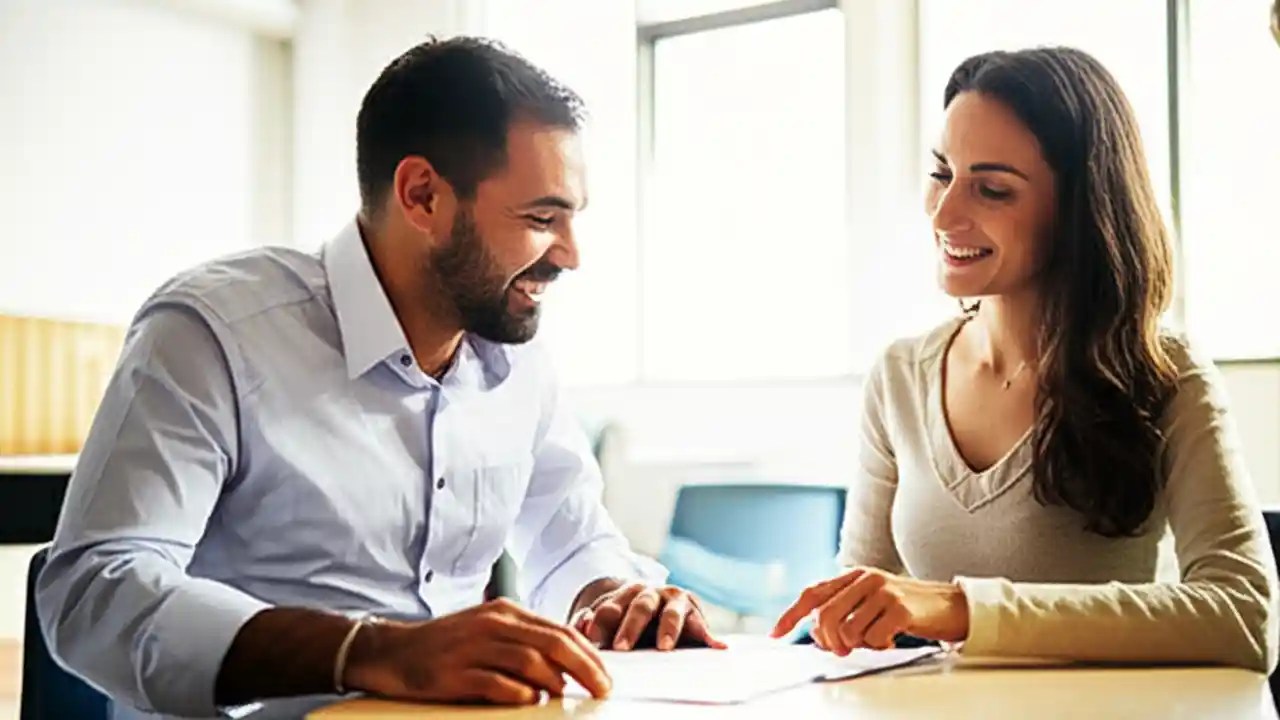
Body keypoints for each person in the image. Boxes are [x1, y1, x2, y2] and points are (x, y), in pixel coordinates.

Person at [37, 36, 723, 720]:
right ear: (422, 195)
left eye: (572, 220)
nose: (570, 256)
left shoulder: (516, 365)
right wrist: (369, 652)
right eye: (542, 219)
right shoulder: (214, 332)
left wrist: (612, 596)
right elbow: (96, 591)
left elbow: (570, 539)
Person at [773, 47, 1278, 671]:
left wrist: (963, 610)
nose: (944, 212)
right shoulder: (899, 377)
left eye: (991, 189)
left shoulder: (1165, 373)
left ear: (1079, 208)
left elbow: (1243, 617)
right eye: (941, 173)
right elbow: (857, 601)